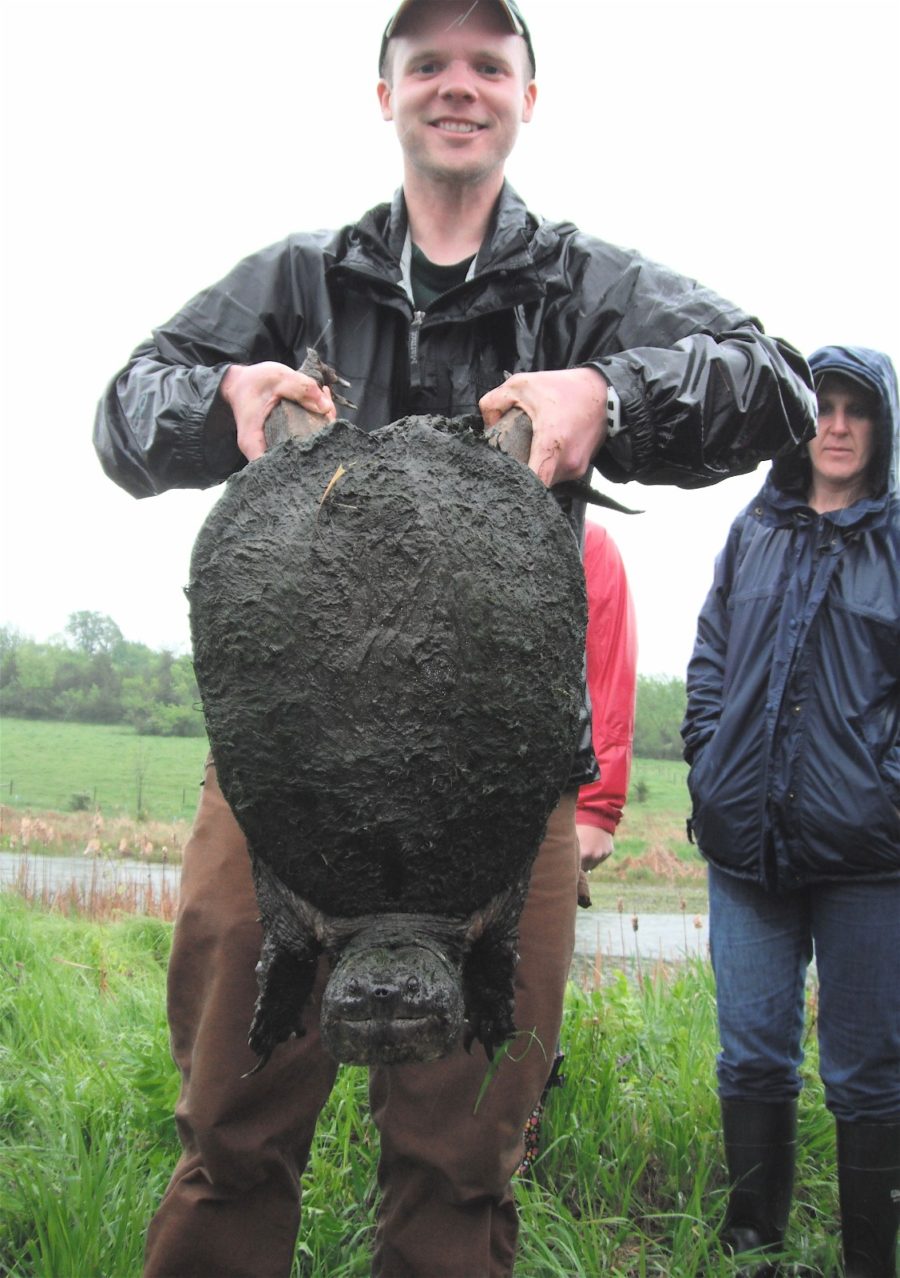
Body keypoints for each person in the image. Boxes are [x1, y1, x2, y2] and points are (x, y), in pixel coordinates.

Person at [93, 2, 815, 1273]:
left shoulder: (590, 292)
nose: (458, 86)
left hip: (501, 796)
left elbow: (776, 383)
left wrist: (615, 393)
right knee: (229, 1132)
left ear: (530, 96)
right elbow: (122, 415)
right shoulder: (294, 283)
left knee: (464, 1157)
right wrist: (224, 397)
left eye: (490, 64)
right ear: (386, 96)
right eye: (427, 64)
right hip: (281, 794)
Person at [682, 345, 900, 1277]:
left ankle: (868, 1265)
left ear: (883, 428)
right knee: (752, 1060)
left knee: (867, 1077)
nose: (838, 425)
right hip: (744, 851)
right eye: (825, 407)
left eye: (858, 410)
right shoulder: (753, 530)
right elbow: (709, 661)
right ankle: (752, 1257)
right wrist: (708, 762)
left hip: (869, 860)